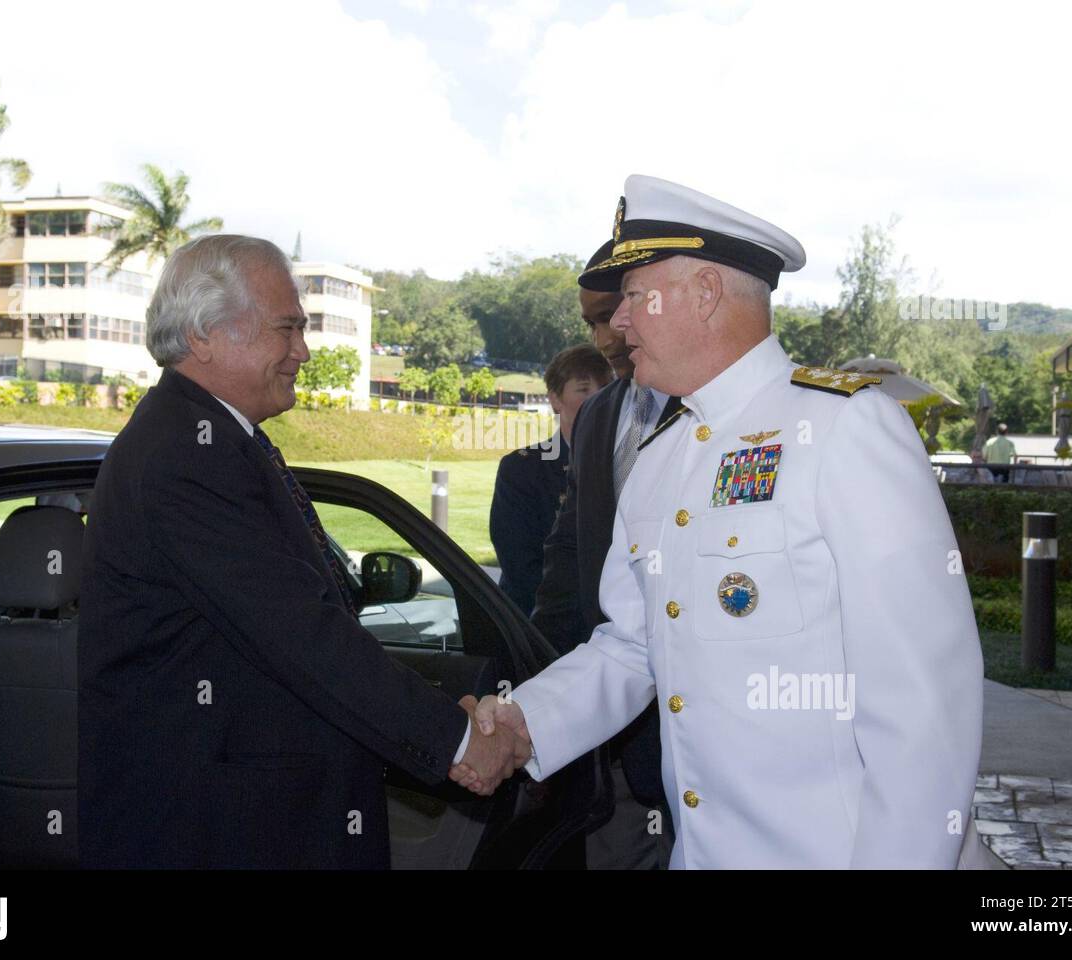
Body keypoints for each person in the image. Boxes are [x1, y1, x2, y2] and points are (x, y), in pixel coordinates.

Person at [456, 175, 986, 869]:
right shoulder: (661, 455)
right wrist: (526, 723)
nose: (618, 322)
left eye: (635, 296)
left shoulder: (844, 428)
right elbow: (631, 647)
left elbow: (924, 707)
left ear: (705, 294)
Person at [79, 235, 525, 868]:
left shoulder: (209, 440)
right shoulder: (187, 457)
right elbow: (302, 634)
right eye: (286, 329)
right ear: (204, 335)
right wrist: (454, 740)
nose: (303, 351)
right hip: (213, 833)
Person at [528, 241, 681, 869]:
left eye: (619, 306)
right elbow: (568, 567)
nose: (609, 334)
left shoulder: (727, 419)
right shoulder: (595, 418)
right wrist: (529, 686)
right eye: (592, 319)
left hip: (723, 745)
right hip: (614, 734)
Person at [490, 344, 611, 615]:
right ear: (555, 399)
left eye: (606, 387)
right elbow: (520, 566)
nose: (600, 398)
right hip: (538, 624)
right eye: (584, 389)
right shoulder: (521, 470)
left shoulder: (626, 464)